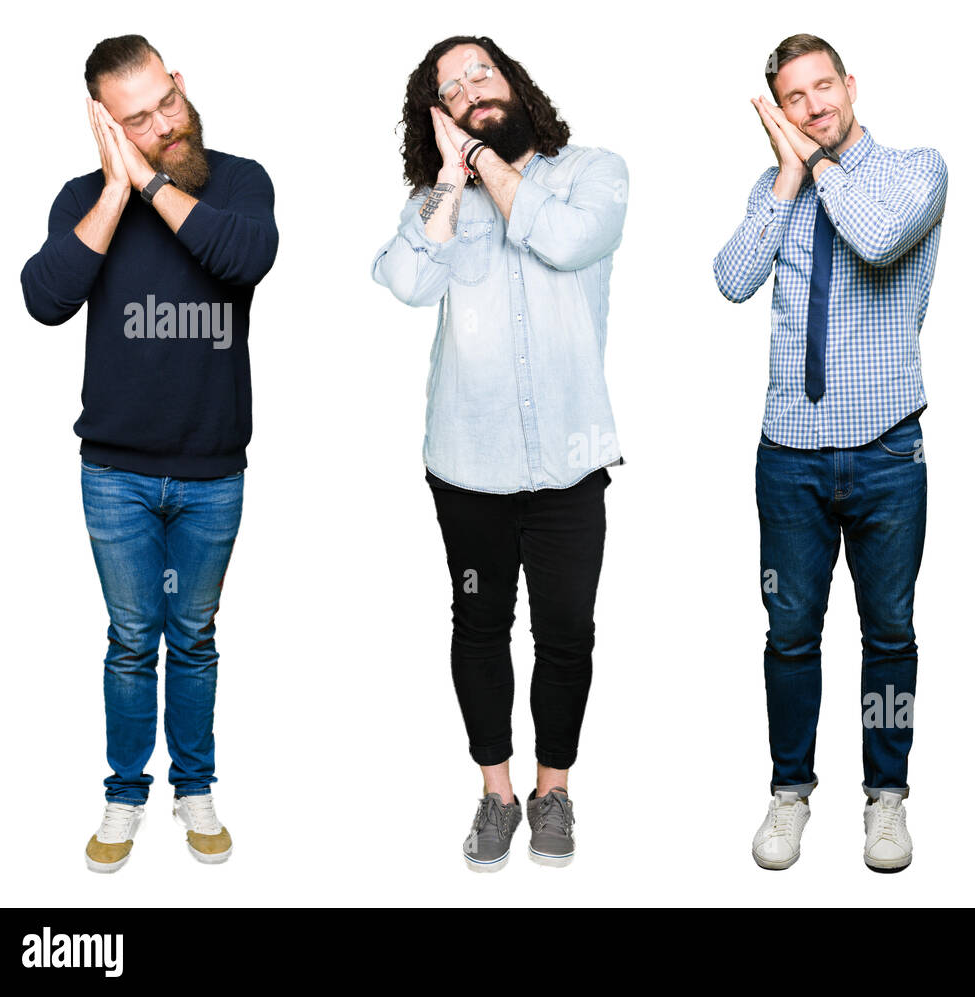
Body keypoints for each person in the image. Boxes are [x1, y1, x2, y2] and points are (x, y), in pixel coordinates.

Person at [20, 35, 279, 872]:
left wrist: (154, 181)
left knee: (194, 635)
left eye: (167, 101)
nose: (165, 123)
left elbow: (245, 258)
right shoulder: (82, 198)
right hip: (116, 473)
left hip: (213, 471)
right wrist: (113, 187)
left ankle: (194, 785)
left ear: (180, 83)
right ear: (105, 124)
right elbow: (44, 298)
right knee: (133, 637)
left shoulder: (240, 182)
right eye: (137, 120)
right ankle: (125, 794)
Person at [371, 35, 627, 872]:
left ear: (514, 84)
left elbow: (561, 239)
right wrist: (452, 176)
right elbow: (407, 282)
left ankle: (554, 790)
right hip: (467, 466)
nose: (471, 88)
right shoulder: (438, 198)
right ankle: (497, 795)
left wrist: (482, 157)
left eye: (482, 72)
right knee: (479, 625)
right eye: (451, 88)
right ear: (438, 116)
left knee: (566, 632)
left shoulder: (591, 172)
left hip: (568, 462)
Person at [713, 34, 946, 872]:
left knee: (889, 634)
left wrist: (814, 167)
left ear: (850, 85)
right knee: (789, 634)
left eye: (823, 88)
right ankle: (789, 793)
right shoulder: (777, 187)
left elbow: (878, 239)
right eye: (794, 98)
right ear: (779, 109)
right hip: (790, 457)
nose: (814, 108)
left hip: (887, 452)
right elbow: (733, 279)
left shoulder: (915, 170)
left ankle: (887, 800)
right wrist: (783, 179)